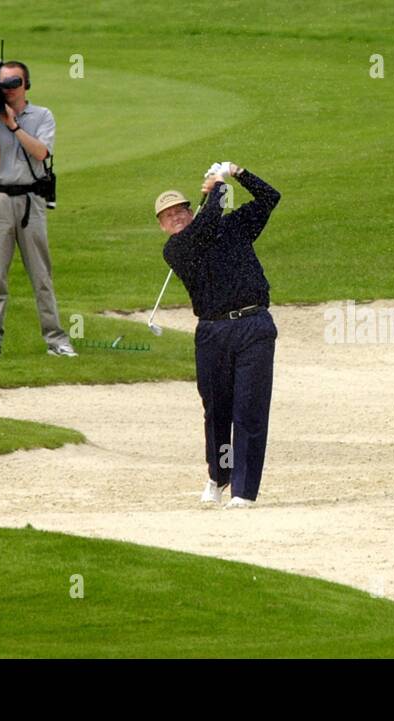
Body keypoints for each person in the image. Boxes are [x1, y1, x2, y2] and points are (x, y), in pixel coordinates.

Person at [156, 162, 280, 509]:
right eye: (168, 216)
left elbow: (270, 197)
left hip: (254, 325)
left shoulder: (233, 227)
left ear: (190, 210)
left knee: (249, 410)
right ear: (162, 226)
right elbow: (208, 225)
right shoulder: (177, 250)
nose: (176, 217)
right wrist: (218, 189)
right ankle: (220, 474)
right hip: (213, 333)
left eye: (181, 210)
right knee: (217, 412)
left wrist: (237, 172)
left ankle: (243, 490)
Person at [0, 60, 76, 359]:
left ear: (26, 85)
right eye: (2, 83)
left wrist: (13, 124)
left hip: (32, 200)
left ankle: (56, 339)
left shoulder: (42, 115)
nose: (7, 88)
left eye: (13, 82)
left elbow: (42, 152)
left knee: (41, 276)